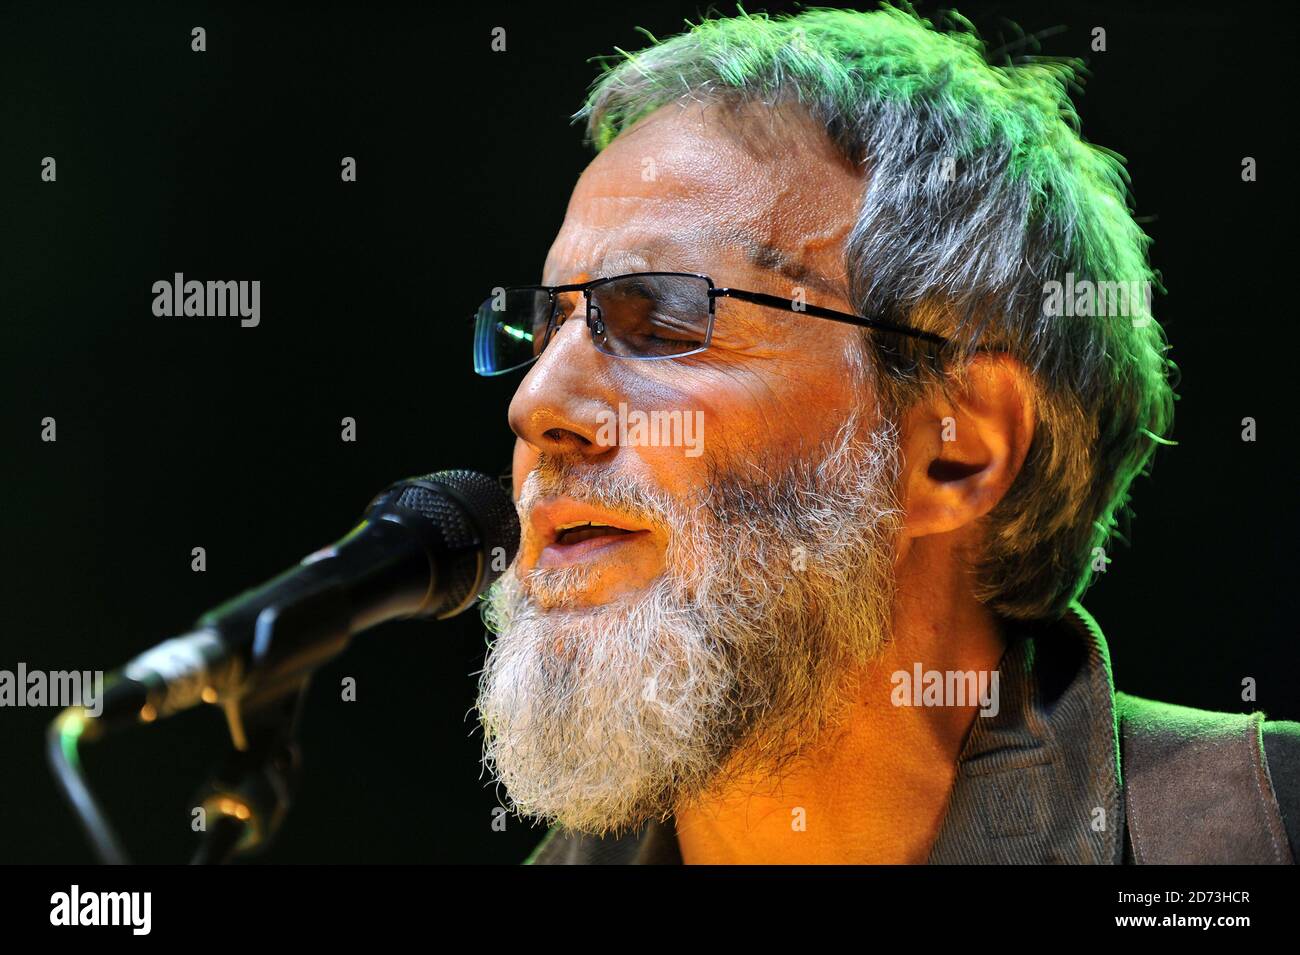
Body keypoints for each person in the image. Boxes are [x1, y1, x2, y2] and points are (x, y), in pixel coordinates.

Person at [469, 6, 1298, 864]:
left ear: (955, 448)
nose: (536, 404)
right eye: (548, 324)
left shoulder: (1258, 835)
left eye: (667, 317)